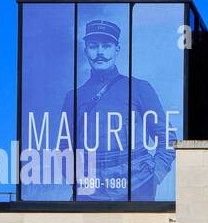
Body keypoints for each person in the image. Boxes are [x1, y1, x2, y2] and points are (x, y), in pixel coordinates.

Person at [61, 18, 175, 200]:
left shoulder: (139, 88)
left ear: (117, 49)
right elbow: (65, 146)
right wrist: (75, 180)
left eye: (106, 45)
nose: (100, 52)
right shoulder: (73, 97)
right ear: (85, 51)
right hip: (90, 191)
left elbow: (167, 136)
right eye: (93, 46)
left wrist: (155, 176)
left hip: (137, 184)